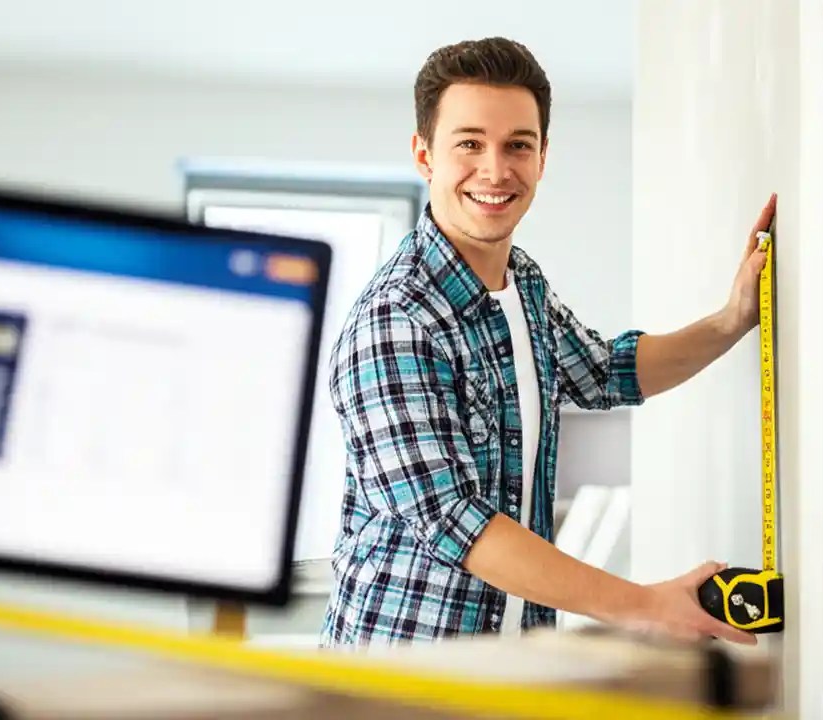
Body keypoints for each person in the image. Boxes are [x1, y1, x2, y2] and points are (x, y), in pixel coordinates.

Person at [319, 37, 774, 647]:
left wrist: (731, 320)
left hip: (510, 665)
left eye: (518, 146)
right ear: (424, 156)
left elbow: (607, 371)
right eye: (469, 144)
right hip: (400, 677)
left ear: (542, 157)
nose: (495, 170)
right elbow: (456, 522)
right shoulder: (397, 319)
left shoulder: (523, 285)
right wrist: (643, 605)